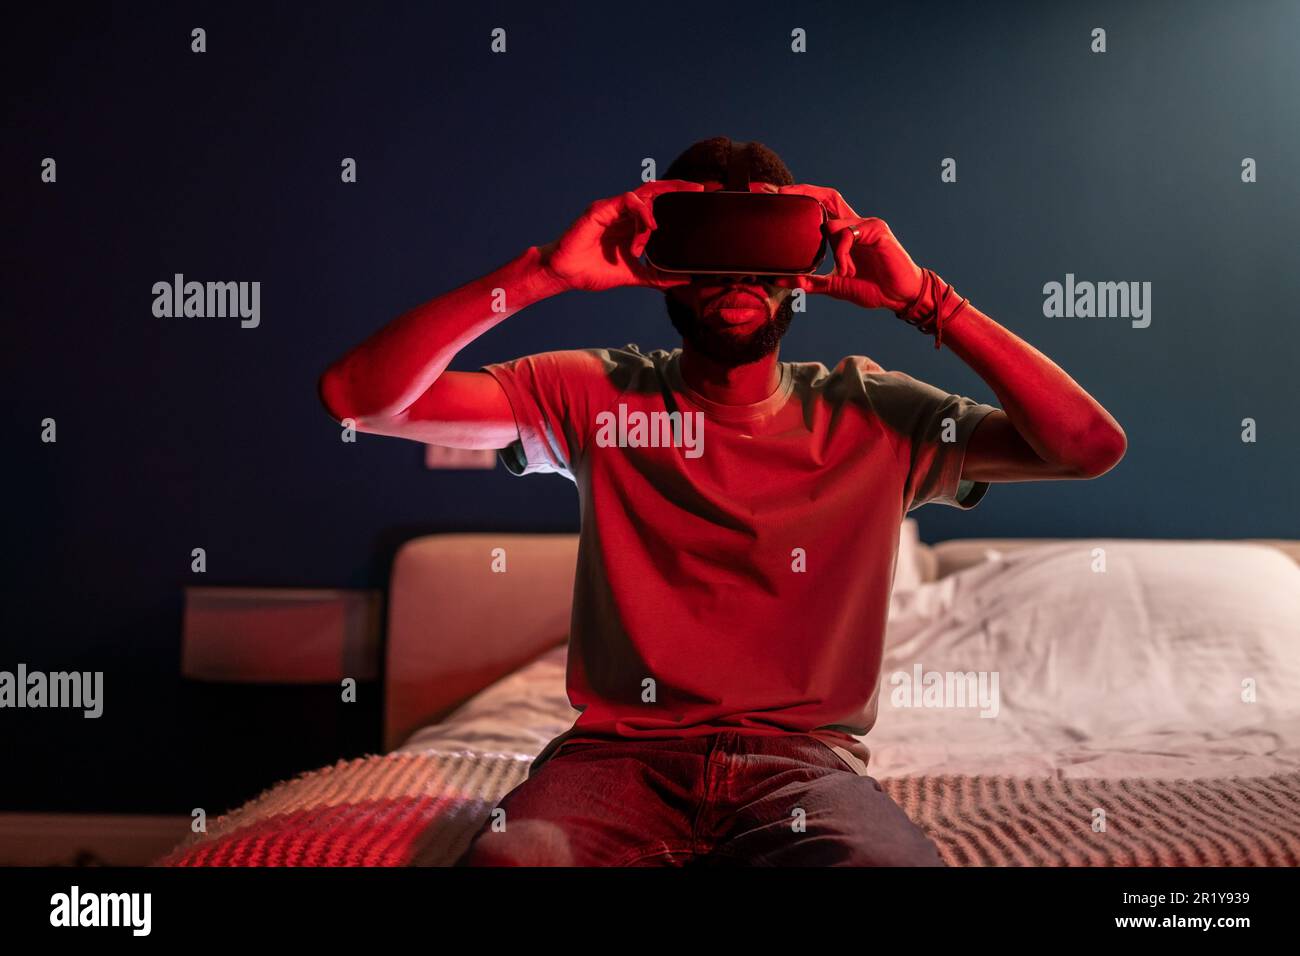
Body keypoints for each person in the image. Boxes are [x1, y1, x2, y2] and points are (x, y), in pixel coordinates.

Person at [318, 136, 1126, 866]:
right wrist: (545, 275)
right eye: (709, 245)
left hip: (805, 764)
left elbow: (1088, 447)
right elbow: (359, 396)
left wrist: (925, 301)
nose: (736, 277)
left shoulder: (877, 412)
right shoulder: (593, 393)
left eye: (760, 246)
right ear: (663, 261)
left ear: (798, 271)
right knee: (509, 863)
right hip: (612, 760)